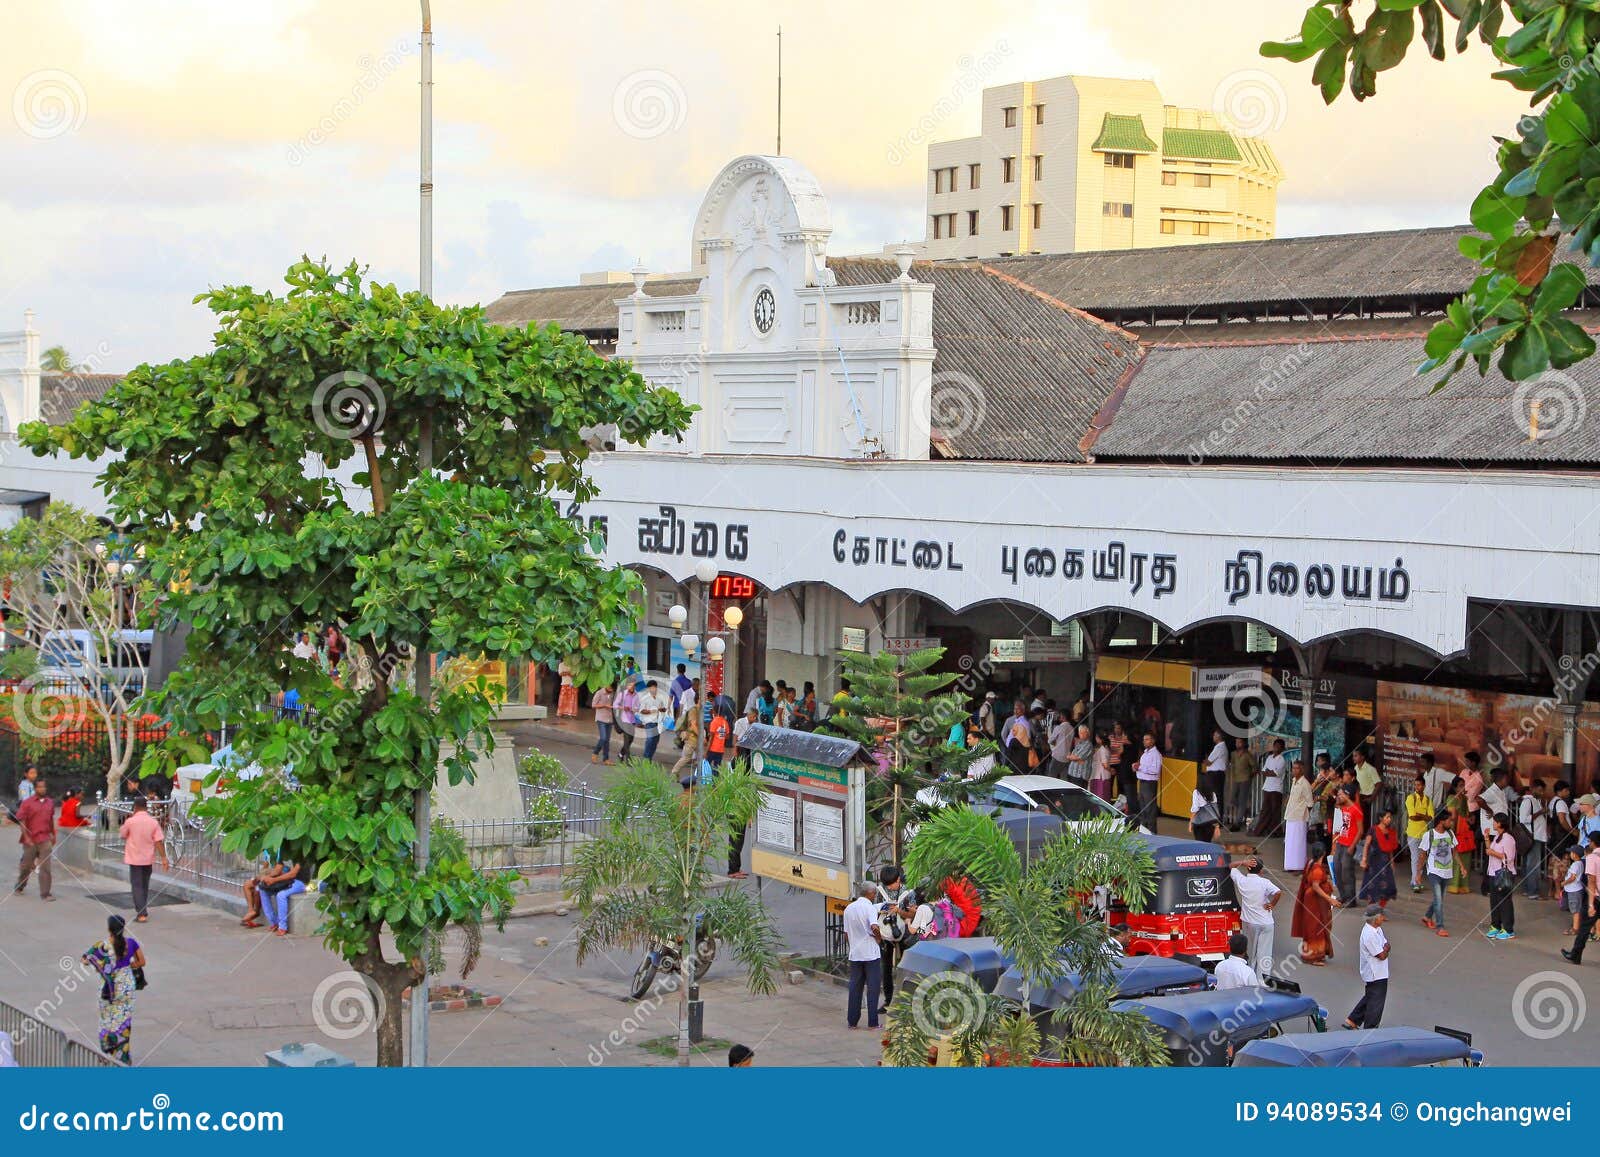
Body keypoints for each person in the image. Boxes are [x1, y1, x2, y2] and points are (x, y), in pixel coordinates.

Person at [82, 914, 144, 1063]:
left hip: (108, 989)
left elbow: (85, 959)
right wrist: (128, 966)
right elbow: (141, 961)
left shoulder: (102, 946)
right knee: (124, 1020)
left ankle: (107, 1051)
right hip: (127, 987)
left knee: (106, 1020)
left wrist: (101, 966)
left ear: (109, 929)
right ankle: (123, 1055)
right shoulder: (131, 943)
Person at [1230, 855, 1282, 982]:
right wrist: (1272, 904)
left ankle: (1250, 979)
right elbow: (1278, 892)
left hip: (1249, 923)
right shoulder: (1265, 883)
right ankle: (1263, 982)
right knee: (1264, 954)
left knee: (1250, 953)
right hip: (1266, 923)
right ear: (1261, 870)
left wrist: (1243, 862)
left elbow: (1230, 866)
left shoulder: (1242, 880)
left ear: (1248, 868)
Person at [120, 796, 169, 923]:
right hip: (147, 859)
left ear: (135, 807)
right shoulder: (153, 822)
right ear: (146, 807)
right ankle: (143, 908)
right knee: (144, 885)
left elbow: (122, 834)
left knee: (136, 885)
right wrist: (164, 858)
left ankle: (142, 913)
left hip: (134, 859)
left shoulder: (130, 821)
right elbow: (158, 841)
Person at [843, 880, 882, 1030]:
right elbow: (874, 926)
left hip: (855, 954)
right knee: (873, 989)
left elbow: (846, 934)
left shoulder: (849, 909)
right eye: (875, 894)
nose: (875, 896)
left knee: (855, 988)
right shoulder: (869, 908)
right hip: (871, 954)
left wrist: (853, 946)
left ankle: (852, 1021)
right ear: (870, 893)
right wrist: (879, 937)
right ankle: (873, 1022)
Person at [1344, 905, 1390, 1030]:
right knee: (1376, 1003)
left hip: (1380, 971)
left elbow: (1386, 945)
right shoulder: (1369, 935)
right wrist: (1385, 949)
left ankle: (1353, 1019)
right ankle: (1370, 1029)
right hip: (1375, 973)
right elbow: (1381, 955)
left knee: (1371, 996)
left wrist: (1385, 948)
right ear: (1376, 919)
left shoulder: (1377, 930)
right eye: (1381, 916)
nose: (1384, 918)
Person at [1292, 843, 1337, 965]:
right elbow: (1316, 886)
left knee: (1313, 926)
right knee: (1316, 928)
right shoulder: (1317, 869)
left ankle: (1313, 952)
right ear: (1323, 853)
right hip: (1315, 901)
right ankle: (1313, 956)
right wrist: (1330, 899)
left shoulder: (1310, 863)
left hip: (1311, 900)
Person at [13, 777, 56, 901]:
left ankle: (45, 893)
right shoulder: (27, 803)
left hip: (45, 839)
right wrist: (26, 837)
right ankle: (20, 885)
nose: (42, 789)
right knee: (26, 866)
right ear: (35, 788)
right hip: (30, 840)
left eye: (44, 786)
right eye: (39, 787)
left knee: (45, 867)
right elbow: (21, 820)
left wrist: (53, 834)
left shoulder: (50, 803)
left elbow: (50, 819)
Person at [1561, 836, 1600, 964]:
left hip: (1596, 898)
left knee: (1585, 927)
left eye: (1589, 841)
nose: (1588, 843)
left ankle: (1575, 954)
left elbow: (1592, 881)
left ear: (1593, 843)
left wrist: (1590, 904)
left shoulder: (1591, 858)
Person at [1418, 812, 1456, 937]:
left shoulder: (1450, 833)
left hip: (1447, 871)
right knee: (1439, 900)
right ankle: (1440, 927)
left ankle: (1427, 916)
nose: (1451, 822)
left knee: (1438, 898)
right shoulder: (1429, 835)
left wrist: (1461, 866)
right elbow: (1422, 855)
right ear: (1441, 821)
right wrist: (1418, 873)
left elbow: (1454, 851)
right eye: (1449, 820)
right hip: (1434, 871)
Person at [875, 867, 907, 1011]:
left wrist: (899, 910)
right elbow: (874, 909)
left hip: (904, 932)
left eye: (891, 884)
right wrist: (883, 910)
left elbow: (913, 913)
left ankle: (904, 1000)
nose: (888, 887)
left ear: (898, 879)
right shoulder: (880, 891)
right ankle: (888, 1001)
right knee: (885, 968)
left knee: (904, 967)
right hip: (885, 932)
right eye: (886, 885)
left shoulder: (907, 892)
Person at [1484, 811, 1518, 941]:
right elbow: (1489, 850)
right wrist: (1487, 838)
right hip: (1493, 872)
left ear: (1500, 823)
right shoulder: (1498, 837)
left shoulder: (1508, 839)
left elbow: (1508, 858)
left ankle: (1508, 929)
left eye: (1494, 821)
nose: (1493, 823)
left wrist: (1492, 852)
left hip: (1504, 874)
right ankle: (1496, 925)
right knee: (1494, 901)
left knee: (1504, 901)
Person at [1357, 807, 1400, 907]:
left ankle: (1380, 910)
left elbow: (1389, 849)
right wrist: (1363, 859)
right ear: (1381, 818)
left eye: (1390, 817)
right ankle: (1372, 909)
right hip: (1374, 862)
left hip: (1386, 862)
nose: (1389, 819)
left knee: (1388, 887)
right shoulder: (1373, 830)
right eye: (1387, 817)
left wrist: (1392, 861)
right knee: (1373, 886)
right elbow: (1367, 845)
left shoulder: (1390, 831)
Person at [1332, 787, 1363, 907]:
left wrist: (1353, 846)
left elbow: (1360, 831)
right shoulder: (1343, 807)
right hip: (1341, 842)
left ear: (1347, 795)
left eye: (1340, 794)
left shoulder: (1356, 810)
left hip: (1349, 844)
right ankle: (1343, 895)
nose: (1338, 796)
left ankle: (1351, 898)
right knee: (1336, 868)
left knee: (1346, 871)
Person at [1444, 776, 1476, 893]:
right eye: (1460, 786)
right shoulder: (1452, 798)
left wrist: (1469, 819)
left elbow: (1467, 814)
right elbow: (1452, 817)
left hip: (1464, 831)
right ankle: (1454, 885)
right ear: (1454, 787)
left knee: (1465, 858)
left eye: (1464, 785)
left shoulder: (1463, 798)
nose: (1463, 788)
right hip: (1455, 831)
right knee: (1457, 858)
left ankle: (1463, 886)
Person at [1520, 779, 1549, 900]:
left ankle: (1527, 889)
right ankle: (1533, 892)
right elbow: (1523, 819)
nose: (1542, 793)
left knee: (1529, 865)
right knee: (1533, 866)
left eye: (1543, 791)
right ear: (1532, 788)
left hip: (1536, 836)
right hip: (1533, 837)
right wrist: (1540, 812)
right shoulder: (1528, 801)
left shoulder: (1535, 801)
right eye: (1540, 790)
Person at [1403, 775, 1433, 893]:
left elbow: (1431, 817)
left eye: (1419, 785)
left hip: (1424, 834)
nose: (1417, 787)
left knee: (1421, 859)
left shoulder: (1428, 799)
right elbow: (1412, 816)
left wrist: (1420, 815)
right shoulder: (1410, 798)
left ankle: (1415, 881)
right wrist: (1423, 816)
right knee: (1415, 858)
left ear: (1424, 786)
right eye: (1415, 785)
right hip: (1412, 833)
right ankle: (1416, 882)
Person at [264, 856, 307, 936]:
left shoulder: (300, 854)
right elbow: (277, 870)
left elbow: (293, 874)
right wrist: (266, 877)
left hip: (299, 882)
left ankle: (282, 927)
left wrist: (273, 880)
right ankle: (273, 922)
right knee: (263, 889)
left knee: (281, 895)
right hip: (286, 881)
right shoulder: (284, 852)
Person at [1251, 739, 1286, 838]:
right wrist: (1268, 772)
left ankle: (1275, 832)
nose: (1276, 748)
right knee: (1265, 810)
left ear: (1282, 748)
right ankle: (1261, 830)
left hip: (1276, 788)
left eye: (1279, 746)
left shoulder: (1281, 759)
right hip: (1267, 787)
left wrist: (1268, 772)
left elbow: (1274, 773)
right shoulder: (1269, 757)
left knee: (1275, 811)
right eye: (1275, 746)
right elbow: (1264, 771)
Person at [1283, 760, 1313, 872]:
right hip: (1290, 815)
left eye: (1297, 768)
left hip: (1299, 817)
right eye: (1293, 768)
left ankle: (1299, 866)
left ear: (1302, 770)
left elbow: (1310, 803)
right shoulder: (1294, 780)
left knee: (1298, 843)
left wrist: (1302, 812)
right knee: (1290, 842)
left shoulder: (1305, 784)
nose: (1294, 770)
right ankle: (1289, 866)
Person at [1135, 732, 1162, 832]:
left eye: (1147, 739)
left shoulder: (1156, 754)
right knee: (1143, 810)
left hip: (1149, 784)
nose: (1144, 742)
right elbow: (1143, 768)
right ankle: (1144, 832)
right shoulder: (1145, 753)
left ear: (1153, 741)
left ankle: (1151, 833)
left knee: (1150, 810)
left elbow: (1155, 770)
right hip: (1142, 783)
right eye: (1144, 739)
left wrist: (1140, 767)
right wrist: (1137, 767)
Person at [636, 679, 669, 762]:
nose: (654, 689)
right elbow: (642, 710)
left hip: (657, 723)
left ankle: (649, 758)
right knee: (650, 740)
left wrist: (663, 709)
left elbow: (662, 709)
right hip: (649, 723)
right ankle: (646, 758)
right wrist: (651, 711)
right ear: (649, 689)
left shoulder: (659, 698)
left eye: (655, 687)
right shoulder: (645, 698)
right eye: (652, 688)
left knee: (655, 742)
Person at [1226, 737, 1254, 831]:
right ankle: (1243, 811)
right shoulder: (1233, 754)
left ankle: (1237, 823)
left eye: (1239, 742)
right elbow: (1232, 765)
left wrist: (1250, 775)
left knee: (1242, 800)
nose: (1237, 744)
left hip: (1245, 779)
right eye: (1236, 742)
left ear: (1243, 743)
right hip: (1235, 779)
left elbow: (1254, 766)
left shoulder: (1247, 755)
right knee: (1232, 799)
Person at [1559, 846, 1586, 937]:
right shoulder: (1580, 863)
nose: (1570, 854)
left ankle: (1575, 929)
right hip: (1575, 889)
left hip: (1574, 890)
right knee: (1576, 909)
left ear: (1574, 855)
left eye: (1571, 853)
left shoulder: (1575, 864)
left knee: (1575, 910)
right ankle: (1577, 926)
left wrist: (1564, 883)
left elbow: (1573, 877)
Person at [1351, 747, 1380, 823]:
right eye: (1353, 756)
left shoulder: (1370, 769)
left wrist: (1372, 798)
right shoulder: (1355, 768)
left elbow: (1378, 783)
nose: (1353, 758)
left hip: (1366, 797)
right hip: (1358, 796)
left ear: (1362, 757)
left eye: (1356, 756)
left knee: (1365, 820)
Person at [590, 682, 615, 765]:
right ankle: (595, 753)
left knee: (607, 740)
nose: (611, 690)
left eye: (612, 689)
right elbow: (593, 705)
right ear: (607, 685)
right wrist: (604, 705)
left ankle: (606, 759)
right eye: (610, 688)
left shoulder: (612, 694)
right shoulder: (599, 693)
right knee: (603, 738)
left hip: (609, 719)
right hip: (601, 718)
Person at [615, 676, 639, 761]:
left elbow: (638, 707)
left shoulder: (636, 695)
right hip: (624, 721)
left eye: (633, 685)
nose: (632, 687)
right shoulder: (622, 694)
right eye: (630, 685)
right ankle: (628, 759)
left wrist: (634, 709)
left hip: (632, 720)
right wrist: (623, 708)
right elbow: (615, 705)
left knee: (631, 740)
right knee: (626, 740)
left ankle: (621, 754)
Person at [1188, 780, 1220, 845]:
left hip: (1199, 822)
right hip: (1210, 823)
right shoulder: (1212, 793)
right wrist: (1217, 827)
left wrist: (1191, 822)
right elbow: (1215, 810)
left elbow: (1195, 809)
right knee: (1207, 844)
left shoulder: (1196, 792)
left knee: (1200, 844)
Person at [1047, 711, 1074, 779]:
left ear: (1063, 717)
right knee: (1064, 779)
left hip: (1057, 756)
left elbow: (1050, 740)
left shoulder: (1058, 727)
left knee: (1051, 778)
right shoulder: (1072, 728)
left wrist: (1055, 743)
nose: (1059, 718)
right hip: (1067, 757)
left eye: (1060, 716)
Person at [1203, 728, 1228, 799]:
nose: (1213, 737)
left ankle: (1216, 810)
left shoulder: (1219, 747)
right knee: (1218, 796)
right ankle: (1219, 810)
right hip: (1218, 774)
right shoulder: (1221, 747)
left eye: (1214, 735)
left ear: (1219, 736)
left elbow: (1208, 762)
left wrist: (1204, 760)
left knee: (1214, 796)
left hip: (1215, 775)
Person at [1089, 731, 1114, 802]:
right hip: (1102, 775)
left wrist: (1111, 770)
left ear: (1100, 739)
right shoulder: (1106, 748)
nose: (1095, 739)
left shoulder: (1103, 749)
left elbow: (1105, 764)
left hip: (1100, 776)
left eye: (1097, 737)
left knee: (1100, 797)